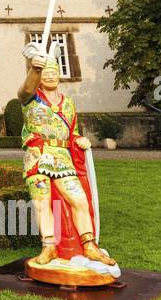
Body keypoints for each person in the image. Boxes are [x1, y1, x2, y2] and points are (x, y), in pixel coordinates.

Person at [17, 42, 115, 267]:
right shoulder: (30, 99)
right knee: (42, 203)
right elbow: (25, 90)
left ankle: (89, 245)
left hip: (62, 158)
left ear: (59, 75)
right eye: (45, 73)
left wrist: (80, 139)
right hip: (38, 155)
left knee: (79, 200)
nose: (50, 76)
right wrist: (35, 69)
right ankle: (49, 246)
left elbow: (73, 131)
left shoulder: (68, 103)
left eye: (53, 72)